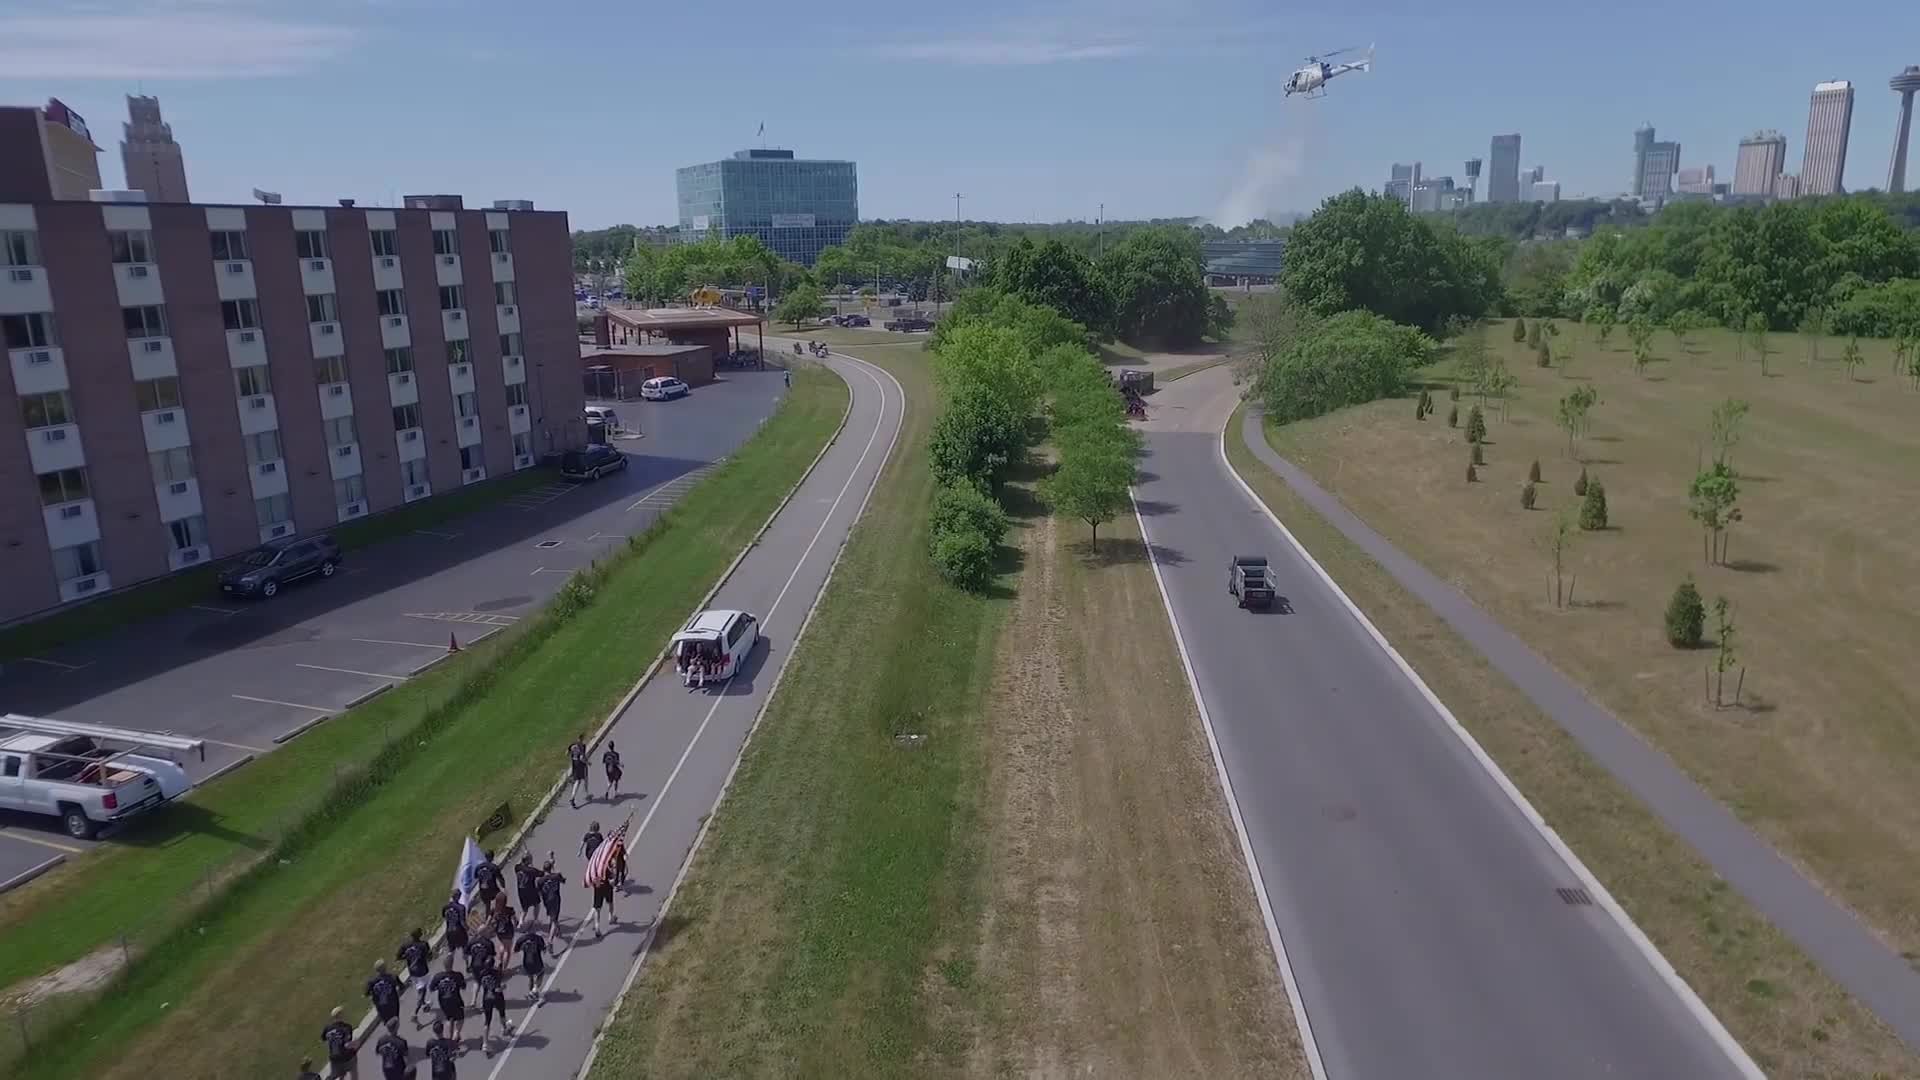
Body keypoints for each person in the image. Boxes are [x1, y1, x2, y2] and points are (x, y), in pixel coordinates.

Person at [428, 955, 466, 1043]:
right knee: (460, 1019)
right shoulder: (457, 975)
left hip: (443, 1002)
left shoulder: (438, 976)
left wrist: (440, 988)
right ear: (452, 964)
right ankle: (456, 1034)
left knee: (449, 1019)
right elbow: (463, 987)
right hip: (456, 1001)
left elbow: (431, 988)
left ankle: (449, 1038)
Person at [397, 929, 433, 1018]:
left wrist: (406, 956)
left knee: (420, 989)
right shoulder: (423, 944)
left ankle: (424, 1004)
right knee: (423, 991)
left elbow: (398, 956)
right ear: (420, 935)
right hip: (423, 971)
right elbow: (429, 956)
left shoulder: (405, 945)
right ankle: (415, 1012)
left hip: (412, 972)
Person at [514, 927, 557, 1001]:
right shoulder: (538, 938)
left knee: (530, 977)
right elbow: (543, 950)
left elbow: (516, 950)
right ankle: (534, 991)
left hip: (526, 962)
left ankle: (531, 992)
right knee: (540, 973)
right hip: (536, 961)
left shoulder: (521, 939)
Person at [475, 963, 510, 1050]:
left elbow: (479, 984)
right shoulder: (496, 972)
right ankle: (505, 1028)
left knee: (487, 1021)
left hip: (486, 998)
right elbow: (499, 986)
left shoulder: (481, 974)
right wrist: (504, 987)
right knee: (502, 1013)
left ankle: (485, 1043)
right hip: (497, 997)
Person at [320, 1007, 358, 1080]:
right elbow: (347, 1045)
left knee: (337, 1074)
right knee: (354, 1073)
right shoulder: (346, 1027)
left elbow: (323, 1039)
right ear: (340, 1015)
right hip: (347, 1057)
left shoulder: (327, 1028)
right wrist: (356, 1043)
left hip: (334, 1059)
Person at [366, 960, 404, 1028]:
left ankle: (392, 1036)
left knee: (389, 1025)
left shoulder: (371, 982)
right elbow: (402, 986)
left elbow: (367, 993)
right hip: (393, 1005)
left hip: (382, 1008)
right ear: (385, 967)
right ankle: (394, 1036)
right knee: (395, 1024)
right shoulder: (392, 977)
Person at [488, 896, 518, 970]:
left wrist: (489, 929)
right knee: (507, 950)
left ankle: (500, 962)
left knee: (502, 945)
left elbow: (488, 922)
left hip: (499, 931)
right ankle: (504, 968)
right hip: (508, 931)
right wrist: (516, 925)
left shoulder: (494, 910)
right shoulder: (509, 910)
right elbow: (515, 920)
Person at [513, 853, 541, 931]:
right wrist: (531, 865)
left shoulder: (517, 867)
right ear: (528, 860)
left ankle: (520, 923)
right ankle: (535, 919)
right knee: (536, 905)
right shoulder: (531, 870)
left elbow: (519, 863)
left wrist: (525, 855)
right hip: (531, 891)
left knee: (524, 909)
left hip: (521, 891)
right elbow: (541, 873)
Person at [440, 893, 469, 967]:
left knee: (451, 950)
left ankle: (448, 966)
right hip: (459, 931)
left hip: (449, 931)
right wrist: (467, 928)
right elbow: (462, 922)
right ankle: (467, 965)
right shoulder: (461, 907)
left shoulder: (445, 907)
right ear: (458, 897)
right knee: (464, 947)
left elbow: (444, 917)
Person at [538, 861, 566, 932]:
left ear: (543, 869)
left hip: (546, 900)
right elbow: (563, 881)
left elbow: (539, 892)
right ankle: (551, 936)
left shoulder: (540, 880)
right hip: (555, 898)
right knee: (555, 916)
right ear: (551, 868)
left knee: (551, 914)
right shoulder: (556, 876)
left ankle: (555, 926)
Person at [567, 735, 590, 807]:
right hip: (581, 765)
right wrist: (588, 762)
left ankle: (572, 796)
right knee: (585, 778)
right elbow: (582, 758)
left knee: (577, 780)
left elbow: (567, 753)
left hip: (574, 764)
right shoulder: (582, 746)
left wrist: (572, 753)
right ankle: (586, 793)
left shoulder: (572, 745)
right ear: (582, 739)